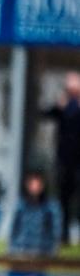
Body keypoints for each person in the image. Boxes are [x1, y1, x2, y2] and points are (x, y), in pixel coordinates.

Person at [42, 71, 80, 244]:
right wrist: (59, 105)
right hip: (65, 159)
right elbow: (45, 114)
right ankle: (64, 235)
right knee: (63, 198)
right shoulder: (63, 104)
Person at [9, 170, 62, 257]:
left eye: (37, 184)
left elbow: (55, 231)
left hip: (42, 253)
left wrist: (53, 251)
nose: (35, 187)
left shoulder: (50, 207)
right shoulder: (20, 205)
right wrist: (12, 249)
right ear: (27, 185)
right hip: (20, 252)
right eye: (32, 184)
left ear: (42, 186)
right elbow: (14, 230)